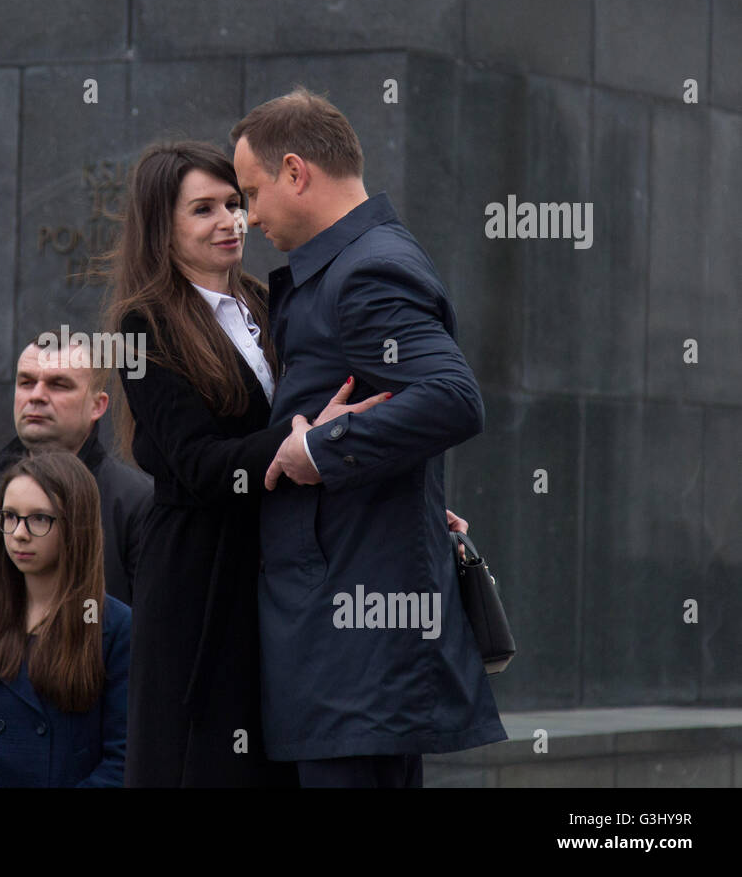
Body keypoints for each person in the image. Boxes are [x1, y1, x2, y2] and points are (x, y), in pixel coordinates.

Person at [233, 88, 506, 787]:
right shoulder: (353, 263)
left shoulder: (365, 269)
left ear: (296, 172)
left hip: (354, 653)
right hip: (348, 644)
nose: (249, 215)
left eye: (251, 192)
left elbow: (452, 399)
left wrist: (314, 452)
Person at [102, 141, 314, 787]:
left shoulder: (269, 302)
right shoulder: (144, 328)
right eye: (203, 210)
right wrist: (300, 443)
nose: (230, 221)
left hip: (277, 562)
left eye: (236, 202)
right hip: (200, 577)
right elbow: (196, 463)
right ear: (162, 231)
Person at [0, 333, 151, 694]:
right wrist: (2, 688)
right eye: (26, 382)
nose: (37, 395)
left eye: (59, 384)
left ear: (98, 405)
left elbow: (156, 644)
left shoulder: (139, 505)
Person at [0, 451, 129, 787]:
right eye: (9, 517)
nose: (19, 533)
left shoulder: (114, 626)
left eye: (39, 518)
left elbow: (122, 758)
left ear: (75, 526)